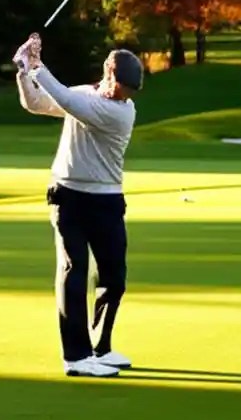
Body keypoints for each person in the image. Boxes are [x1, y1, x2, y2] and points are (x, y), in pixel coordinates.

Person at [13, 33, 143, 378]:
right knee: (74, 271)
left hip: (107, 199)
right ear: (108, 73)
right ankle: (77, 356)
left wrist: (37, 65)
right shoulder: (86, 96)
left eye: (131, 89)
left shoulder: (120, 113)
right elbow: (38, 104)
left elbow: (68, 101)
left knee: (114, 277)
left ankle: (102, 347)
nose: (125, 94)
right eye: (122, 85)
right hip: (68, 197)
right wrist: (25, 73)